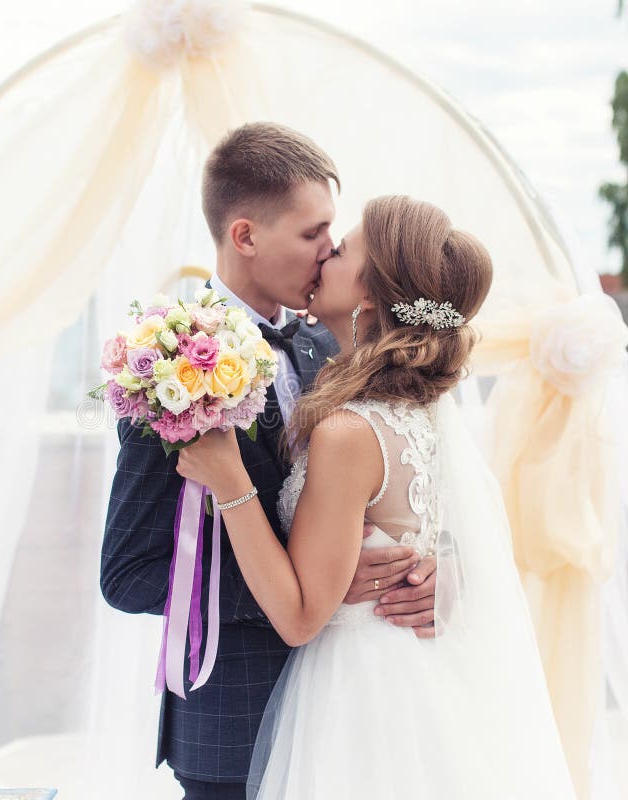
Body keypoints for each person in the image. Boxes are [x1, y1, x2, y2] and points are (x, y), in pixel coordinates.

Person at [176, 193, 577, 798]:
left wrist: (231, 482)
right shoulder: (422, 407)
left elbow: (302, 616)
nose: (321, 258)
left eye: (338, 251)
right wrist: (430, 565)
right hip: (418, 685)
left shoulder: (348, 432)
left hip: (358, 701)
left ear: (368, 294)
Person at [101, 124, 439, 800]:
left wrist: (430, 565)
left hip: (347, 717)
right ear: (247, 236)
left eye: (333, 235)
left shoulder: (333, 343)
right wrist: (311, 579)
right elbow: (127, 574)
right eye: (313, 233)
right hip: (234, 727)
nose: (328, 251)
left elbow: (391, 481)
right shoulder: (167, 365)